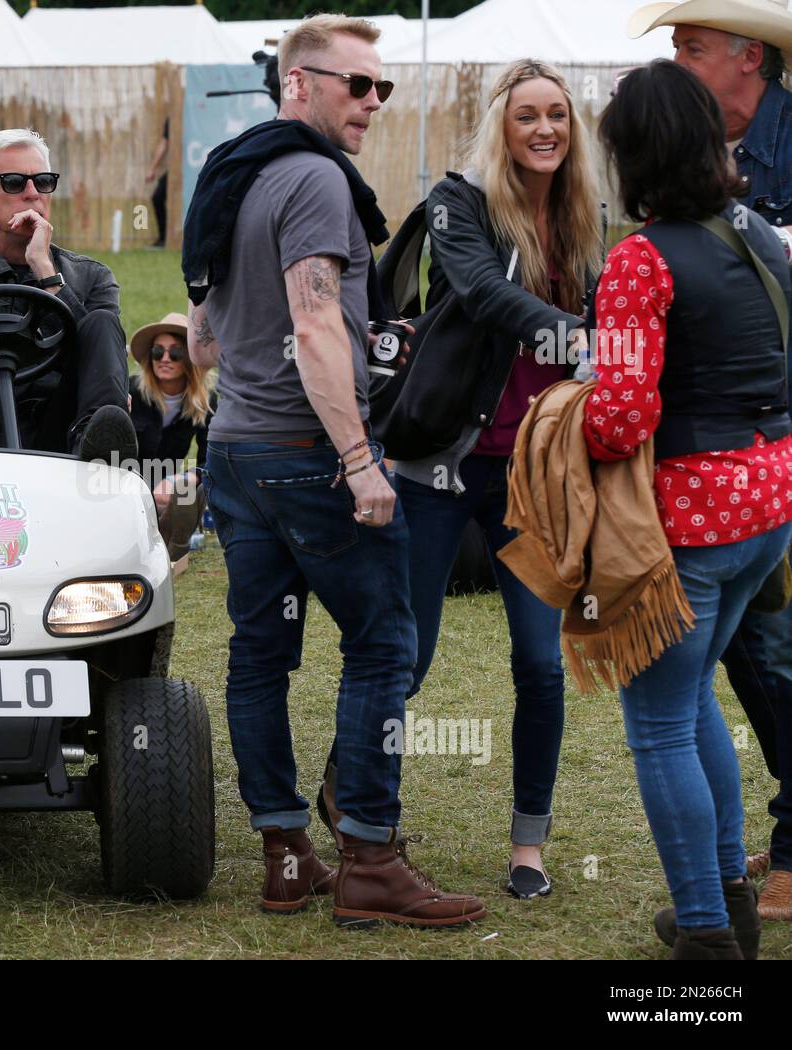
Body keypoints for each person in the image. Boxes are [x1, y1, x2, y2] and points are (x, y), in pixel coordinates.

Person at [185, 13, 484, 925]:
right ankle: (371, 860)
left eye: (382, 87)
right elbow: (314, 324)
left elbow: (199, 332)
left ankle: (286, 856)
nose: (374, 103)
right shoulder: (315, 179)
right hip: (307, 453)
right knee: (384, 648)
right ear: (300, 85)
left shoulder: (234, 172)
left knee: (261, 654)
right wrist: (359, 459)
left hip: (235, 448)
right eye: (358, 85)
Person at [592, 59, 792, 959]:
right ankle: (727, 900)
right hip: (769, 507)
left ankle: (707, 940)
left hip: (687, 525)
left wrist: (568, 416)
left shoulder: (641, 260)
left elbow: (622, 416)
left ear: (633, 157)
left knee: (661, 722)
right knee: (691, 696)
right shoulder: (761, 232)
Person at [392, 60, 604, 899]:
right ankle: (363, 814)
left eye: (558, 114)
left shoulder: (590, 216)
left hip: (537, 478)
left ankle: (528, 847)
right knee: (404, 657)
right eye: (527, 117)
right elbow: (480, 292)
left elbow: (619, 314)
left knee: (540, 667)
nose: (545, 129)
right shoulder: (459, 201)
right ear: (501, 127)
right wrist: (575, 337)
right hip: (442, 461)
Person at [0, 128, 134, 462]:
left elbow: (98, 363)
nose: (32, 193)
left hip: (61, 427)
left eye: (43, 181)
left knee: (101, 323)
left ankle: (99, 450)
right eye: (14, 182)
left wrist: (45, 270)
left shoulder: (91, 275)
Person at [126, 312, 216, 559]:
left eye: (175, 352)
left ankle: (174, 550)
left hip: (167, 490)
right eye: (158, 352)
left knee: (191, 490)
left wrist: (183, 478)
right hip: (125, 486)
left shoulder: (206, 403)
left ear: (189, 358)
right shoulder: (129, 391)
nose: (164, 359)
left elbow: (212, 463)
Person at [144, 118, 169, 249]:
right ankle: (164, 239)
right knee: (157, 197)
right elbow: (165, 143)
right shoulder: (172, 120)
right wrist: (152, 169)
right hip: (177, 170)